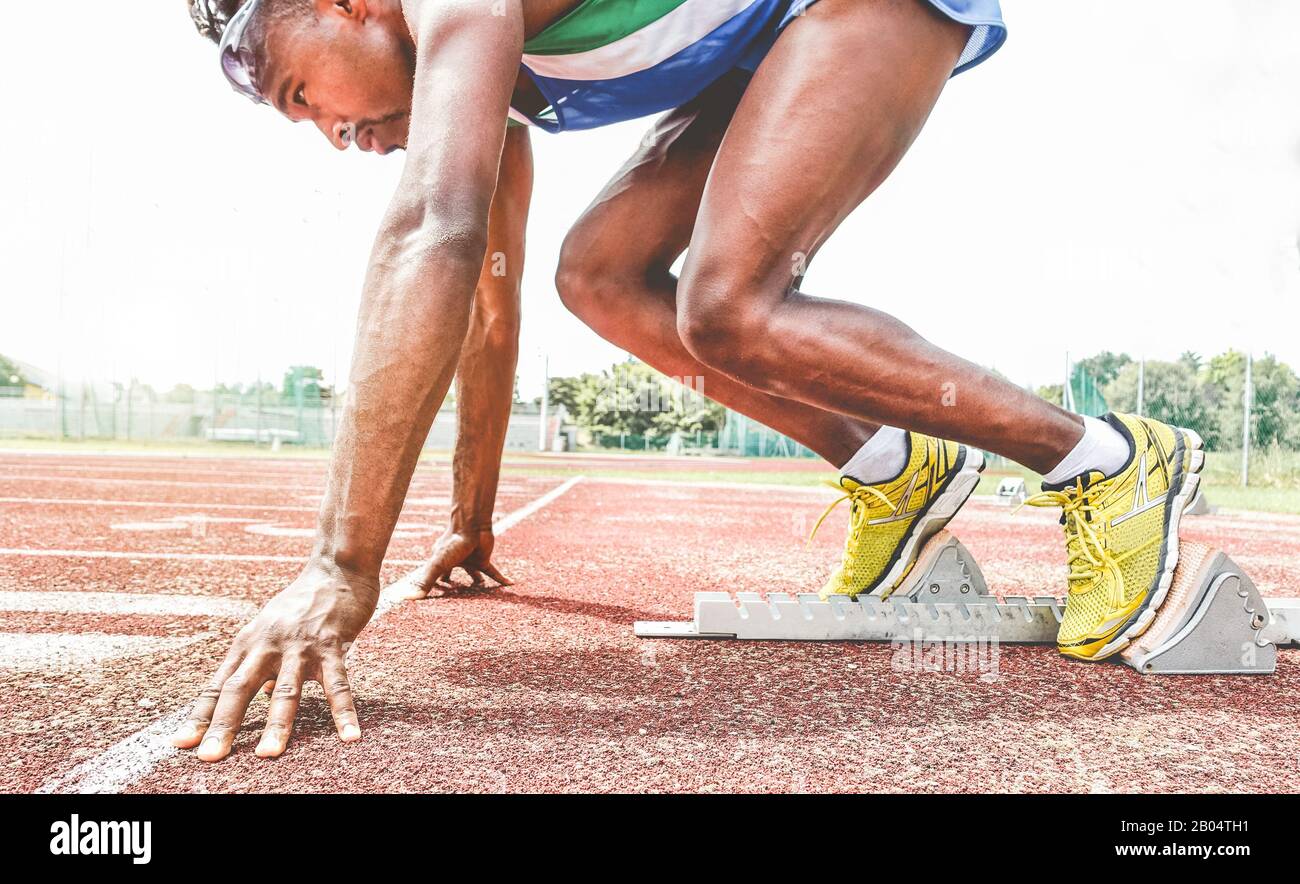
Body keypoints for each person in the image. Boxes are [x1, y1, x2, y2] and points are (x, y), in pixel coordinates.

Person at [177, 0, 1203, 762]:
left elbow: (431, 233)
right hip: (771, 37)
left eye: (302, 94)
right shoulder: (474, 78)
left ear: (344, 3)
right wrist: (470, 516)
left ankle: (1106, 460)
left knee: (730, 306)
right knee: (600, 276)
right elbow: (488, 306)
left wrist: (340, 566)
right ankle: (897, 467)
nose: (332, 134)